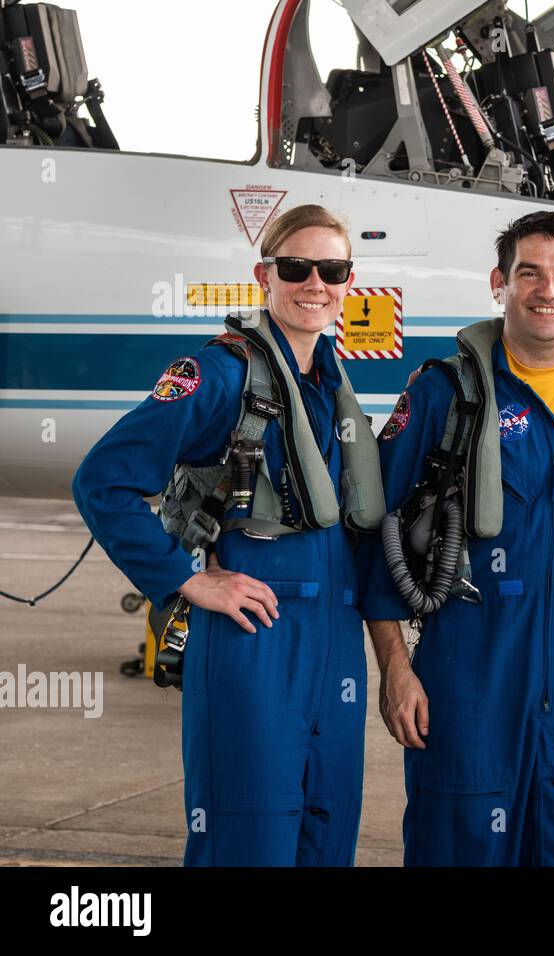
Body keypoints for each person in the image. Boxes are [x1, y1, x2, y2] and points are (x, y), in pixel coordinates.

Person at [72, 204, 382, 866]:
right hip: (253, 643)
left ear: (349, 282)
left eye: (332, 270)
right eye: (295, 267)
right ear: (264, 275)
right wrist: (184, 580)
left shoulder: (333, 386)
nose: (315, 283)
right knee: (248, 843)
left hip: (336, 648)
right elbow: (102, 481)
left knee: (326, 841)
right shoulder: (217, 374)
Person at [360, 211, 554, 866]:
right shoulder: (443, 396)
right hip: (469, 671)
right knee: (459, 840)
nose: (548, 290)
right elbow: (379, 534)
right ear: (500, 283)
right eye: (530, 273)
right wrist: (395, 669)